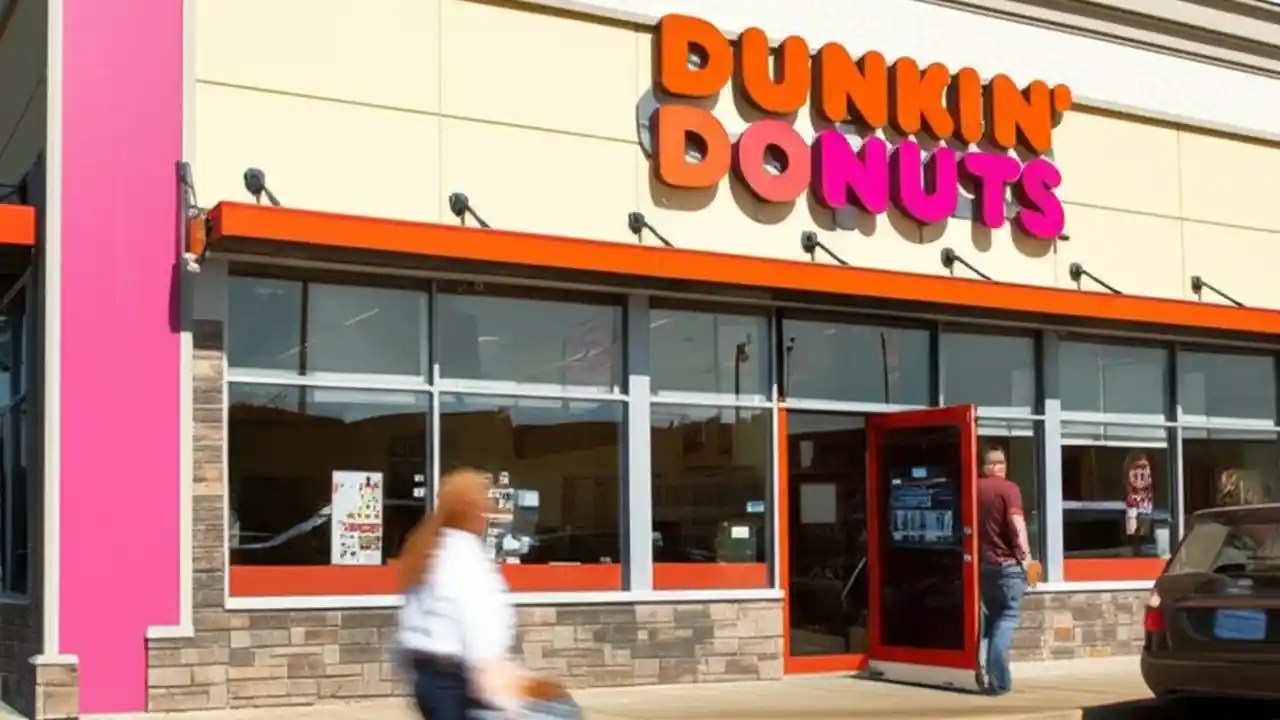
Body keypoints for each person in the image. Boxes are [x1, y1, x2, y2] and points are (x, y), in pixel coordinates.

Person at [395, 468, 524, 719]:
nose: (485, 516)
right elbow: (476, 616)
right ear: (470, 510)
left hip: (427, 676)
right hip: (458, 680)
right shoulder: (465, 555)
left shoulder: (428, 548)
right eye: (482, 508)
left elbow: (408, 620)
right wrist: (491, 674)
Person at [976, 444, 1033, 696]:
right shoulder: (1009, 489)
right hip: (1008, 566)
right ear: (1001, 466)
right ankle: (999, 683)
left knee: (990, 622)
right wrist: (1027, 561)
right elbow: (1017, 524)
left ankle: (983, 672)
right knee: (1007, 618)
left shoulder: (973, 488)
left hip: (983, 566)